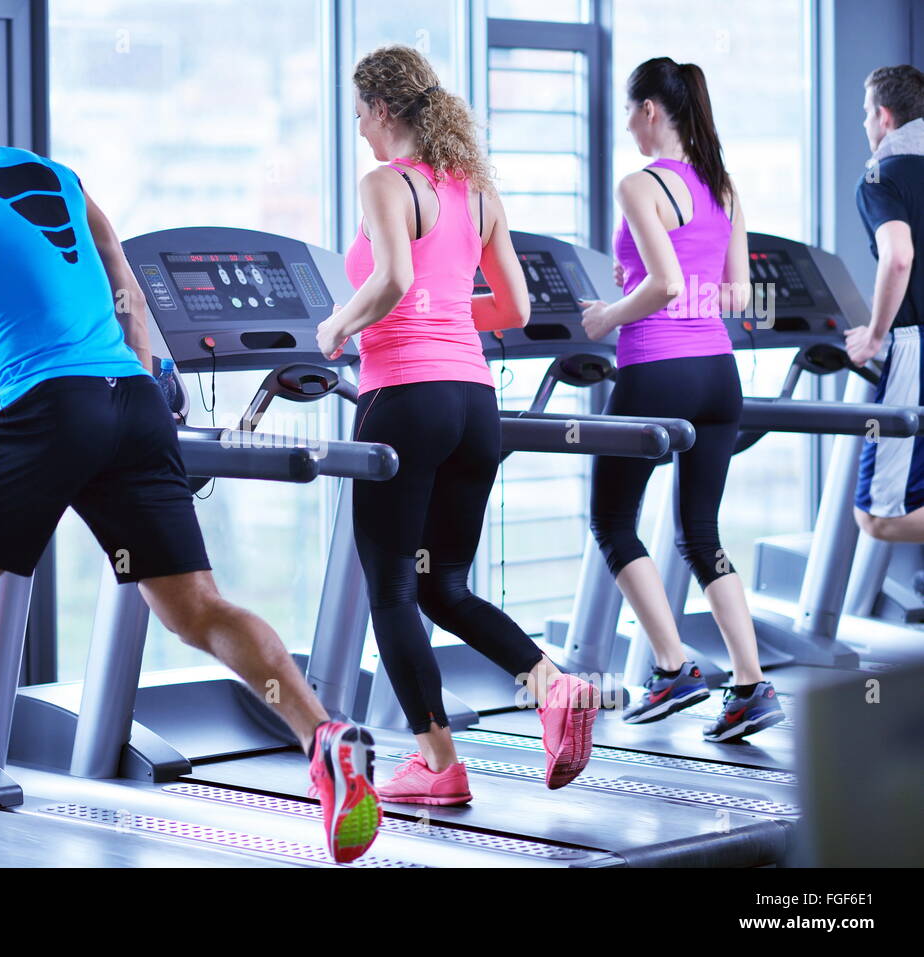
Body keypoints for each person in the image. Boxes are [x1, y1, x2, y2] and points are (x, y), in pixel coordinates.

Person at [0, 93, 380, 863]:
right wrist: (160, 382)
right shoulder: (58, 173)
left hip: (49, 404)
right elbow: (124, 282)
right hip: (131, 397)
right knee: (196, 605)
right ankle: (319, 731)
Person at [316, 45, 599, 806]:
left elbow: (394, 280)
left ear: (381, 109)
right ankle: (554, 685)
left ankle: (438, 762)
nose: (361, 133)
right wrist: (439, 312)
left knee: (392, 591)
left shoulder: (386, 183)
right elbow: (513, 311)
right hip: (475, 404)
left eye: (360, 116)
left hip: (404, 400)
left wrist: (336, 326)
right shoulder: (475, 192)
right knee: (442, 583)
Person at [580, 57, 783, 742]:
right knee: (701, 533)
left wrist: (610, 313)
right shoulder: (721, 184)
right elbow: (733, 297)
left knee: (611, 519)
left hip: (658, 369)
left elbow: (664, 286)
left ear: (648, 111)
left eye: (630, 112)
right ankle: (751, 683)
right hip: (717, 376)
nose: (629, 125)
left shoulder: (639, 184)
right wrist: (641, 276)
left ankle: (673, 665)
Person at [844, 66, 924, 544]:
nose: (865, 125)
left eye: (865, 114)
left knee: (878, 516)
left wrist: (875, 335)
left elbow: (898, 258)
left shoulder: (880, 176)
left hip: (914, 345)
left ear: (884, 116)